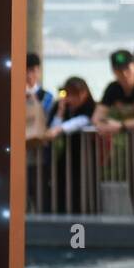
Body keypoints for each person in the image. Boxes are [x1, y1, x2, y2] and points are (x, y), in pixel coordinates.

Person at [92, 50, 134, 216]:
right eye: (119, 70)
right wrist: (105, 126)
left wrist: (121, 126)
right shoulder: (113, 89)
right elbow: (97, 117)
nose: (124, 74)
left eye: (127, 69)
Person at [43, 77, 98, 214]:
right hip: (65, 157)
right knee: (60, 188)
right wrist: (61, 111)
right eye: (70, 94)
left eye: (77, 94)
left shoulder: (91, 107)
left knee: (82, 191)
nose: (73, 99)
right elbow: (52, 129)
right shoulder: (61, 106)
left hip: (86, 158)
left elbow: (84, 121)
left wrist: (60, 129)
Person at [24, 52, 58, 212]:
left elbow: (48, 119)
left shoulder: (47, 96)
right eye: (25, 70)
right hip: (19, 156)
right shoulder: (12, 93)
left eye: (32, 70)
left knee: (41, 196)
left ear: (38, 71)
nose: (29, 75)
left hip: (40, 156)